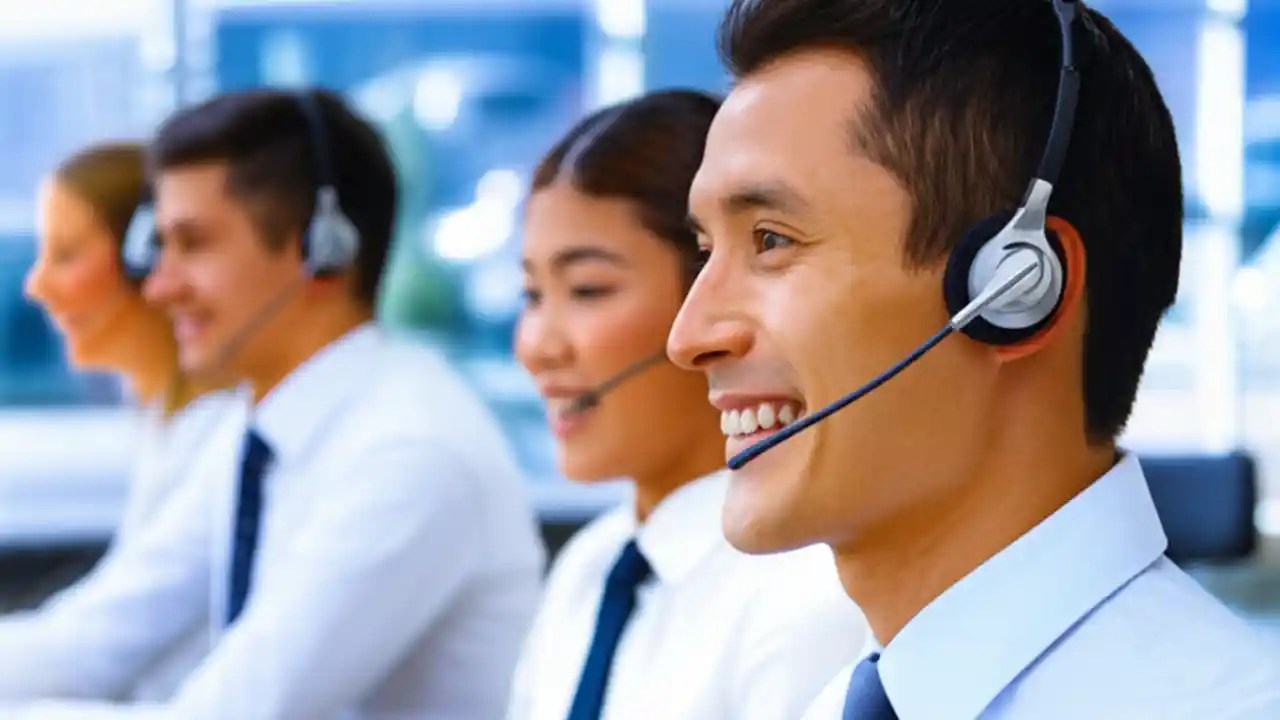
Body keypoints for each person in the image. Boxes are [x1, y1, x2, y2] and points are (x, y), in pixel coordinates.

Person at [666, 1, 1280, 718]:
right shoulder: (841, 698)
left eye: (772, 240)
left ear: (1016, 288)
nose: (688, 337)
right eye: (706, 252)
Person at [4, 89, 545, 719]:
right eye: (161, 246)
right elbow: (93, 640)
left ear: (323, 250)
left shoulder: (409, 454)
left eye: (193, 244)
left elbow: (235, 711)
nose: (158, 285)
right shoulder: (254, 431)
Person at [508, 89, 864, 720]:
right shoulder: (592, 564)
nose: (537, 346)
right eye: (532, 294)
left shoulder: (806, 595)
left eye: (587, 289)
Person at [0, 142, 232, 701]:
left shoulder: (226, 441)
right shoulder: (169, 425)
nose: (36, 285)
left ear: (149, 260)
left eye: (66, 254)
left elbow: (88, 649)